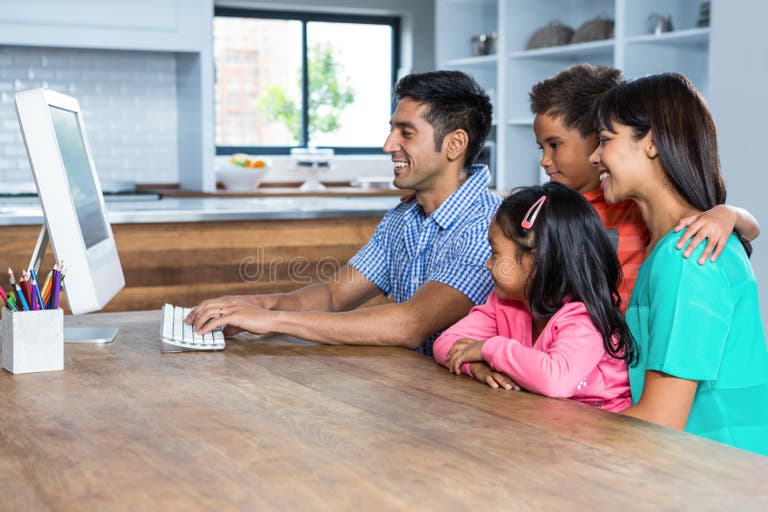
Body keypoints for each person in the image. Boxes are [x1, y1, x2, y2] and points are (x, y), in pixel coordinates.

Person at [186, 71, 501, 355]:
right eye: (392, 130)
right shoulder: (403, 219)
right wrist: (253, 305)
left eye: (406, 133)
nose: (388, 145)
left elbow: (411, 323)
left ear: (454, 144)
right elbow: (333, 294)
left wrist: (272, 320)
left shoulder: (488, 226)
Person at [589, 72, 768, 454]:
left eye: (604, 140)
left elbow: (660, 421)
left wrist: (550, 432)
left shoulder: (688, 255)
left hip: (718, 476)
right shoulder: (677, 243)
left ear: (652, 142)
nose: (594, 156)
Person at [529, 64, 760, 309]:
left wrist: (727, 213)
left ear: (651, 142)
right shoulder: (564, 210)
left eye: (604, 140)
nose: (545, 160)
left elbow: (749, 230)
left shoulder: (640, 208)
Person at [433, 182, 635, 412]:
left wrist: (490, 349)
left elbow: (556, 380)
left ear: (536, 259)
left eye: (495, 253)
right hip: (542, 423)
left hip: (601, 433)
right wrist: (476, 365)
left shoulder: (585, 317)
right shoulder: (506, 304)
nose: (488, 265)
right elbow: (447, 342)